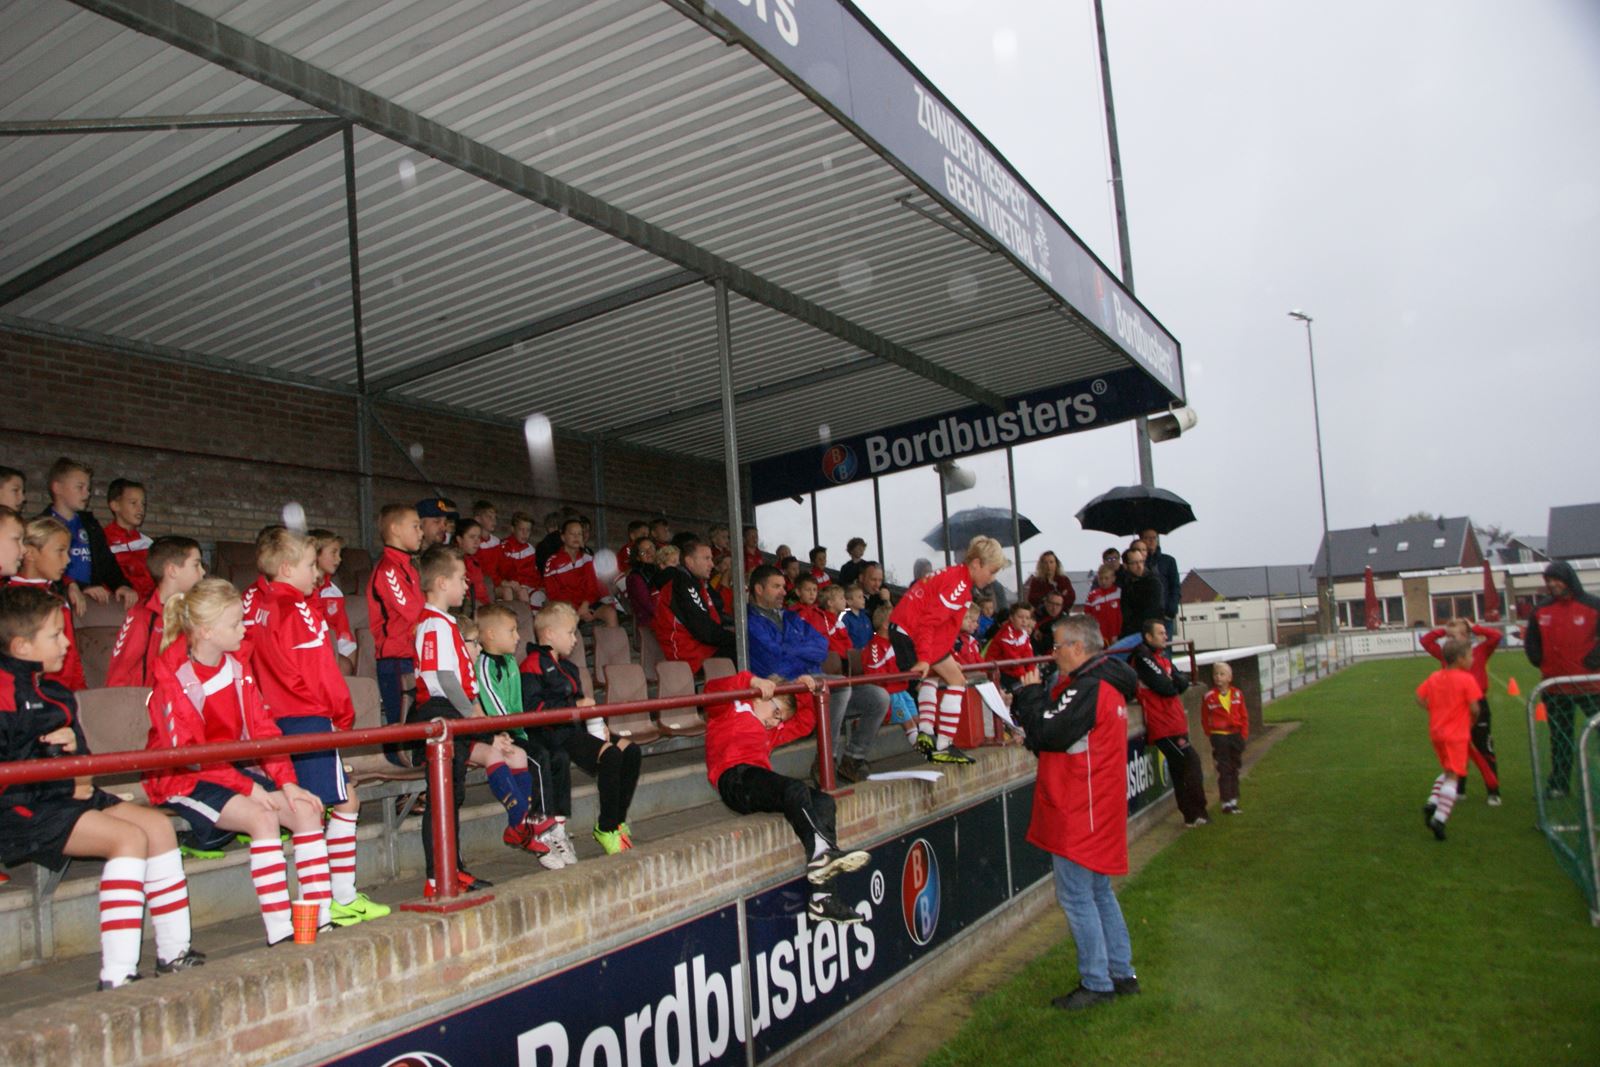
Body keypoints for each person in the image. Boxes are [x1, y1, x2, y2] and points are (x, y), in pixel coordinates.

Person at [0, 585, 203, 988]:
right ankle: (118, 973)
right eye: (55, 635)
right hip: (21, 807)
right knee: (127, 839)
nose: (66, 643)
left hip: (65, 797)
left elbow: (84, 770)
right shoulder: (4, 694)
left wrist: (74, 758)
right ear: (22, 646)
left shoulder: (57, 694)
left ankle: (174, 952)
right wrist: (50, 760)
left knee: (159, 828)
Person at [143, 578, 334, 942]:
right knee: (261, 816)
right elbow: (188, 754)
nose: (244, 628)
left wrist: (287, 783)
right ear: (206, 631)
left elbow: (264, 730)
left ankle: (320, 918)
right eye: (235, 623)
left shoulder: (237, 667)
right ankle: (280, 931)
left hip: (230, 772)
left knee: (306, 808)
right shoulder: (173, 677)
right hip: (182, 777)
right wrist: (249, 787)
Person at [251, 528, 389, 925]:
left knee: (303, 807)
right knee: (344, 803)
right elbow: (321, 671)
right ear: (287, 567)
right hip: (309, 718)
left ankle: (323, 900)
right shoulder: (298, 610)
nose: (317, 573)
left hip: (272, 719)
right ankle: (338, 898)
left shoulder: (258, 604)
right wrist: (342, 714)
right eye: (311, 565)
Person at [1012, 614, 1140, 1011]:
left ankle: (1097, 981)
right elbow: (1057, 736)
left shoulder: (1090, 687)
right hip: (1096, 806)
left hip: (1080, 809)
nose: (1053, 654)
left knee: (1077, 897)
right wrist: (1033, 727)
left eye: (1058, 646)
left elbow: (1051, 733)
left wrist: (1030, 697)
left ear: (1079, 648)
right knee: (1098, 892)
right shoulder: (1100, 685)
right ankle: (1121, 972)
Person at [410, 545, 547, 895]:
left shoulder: (445, 624)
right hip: (441, 713)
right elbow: (441, 676)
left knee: (451, 796)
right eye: (461, 579)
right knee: (442, 797)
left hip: (453, 712)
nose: (467, 585)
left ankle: (453, 868)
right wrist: (473, 714)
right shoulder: (434, 624)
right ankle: (437, 876)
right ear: (441, 582)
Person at [703, 670, 868, 925]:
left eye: (780, 719)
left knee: (824, 801)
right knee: (795, 790)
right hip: (733, 778)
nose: (775, 722)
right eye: (776, 713)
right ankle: (824, 852)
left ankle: (824, 897)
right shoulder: (731, 707)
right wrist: (753, 682)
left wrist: (802, 690)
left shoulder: (773, 731)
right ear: (762, 696)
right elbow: (711, 689)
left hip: (757, 781)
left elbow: (806, 722)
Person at [746, 565, 887, 784]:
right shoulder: (750, 621)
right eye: (777, 587)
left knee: (878, 697)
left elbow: (821, 645)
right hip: (786, 690)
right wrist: (801, 651)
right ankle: (825, 761)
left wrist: (791, 649)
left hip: (812, 682)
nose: (784, 592)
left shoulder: (790, 617)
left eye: (784, 586)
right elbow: (775, 661)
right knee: (839, 686)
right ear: (758, 589)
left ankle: (853, 759)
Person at [522, 602, 641, 855]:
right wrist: (575, 705)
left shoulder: (570, 668)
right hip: (554, 734)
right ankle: (606, 828)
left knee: (631, 751)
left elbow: (584, 706)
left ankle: (616, 820)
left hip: (578, 730)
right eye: (570, 633)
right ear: (549, 633)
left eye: (576, 633)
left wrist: (601, 727)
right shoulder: (532, 664)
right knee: (610, 755)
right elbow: (533, 707)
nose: (575, 639)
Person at [889, 536, 1008, 764]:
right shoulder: (959, 585)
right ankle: (944, 744)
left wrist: (944, 657)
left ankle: (926, 732)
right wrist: (924, 658)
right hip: (911, 632)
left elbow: (941, 627)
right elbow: (928, 623)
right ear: (976, 564)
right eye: (991, 571)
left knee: (934, 678)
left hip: (905, 628)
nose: (992, 578)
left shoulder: (956, 575)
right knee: (957, 681)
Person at [474, 603, 564, 869]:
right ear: (490, 634)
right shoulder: (484, 664)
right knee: (537, 757)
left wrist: (522, 729)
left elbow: (517, 705)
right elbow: (494, 707)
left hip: (514, 730)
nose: (517, 637)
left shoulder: (512, 662)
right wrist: (509, 731)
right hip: (496, 732)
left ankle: (549, 825)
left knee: (555, 752)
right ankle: (539, 825)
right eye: (512, 631)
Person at [1524, 560, 1600, 798]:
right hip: (1555, 687)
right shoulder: (1541, 610)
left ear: (1569, 579)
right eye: (1549, 580)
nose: (1553, 584)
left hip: (1591, 685)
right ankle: (1559, 785)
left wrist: (1594, 660)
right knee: (1560, 739)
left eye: (1557, 579)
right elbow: (1531, 640)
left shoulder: (1593, 605)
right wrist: (1538, 658)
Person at [104, 536, 205, 687]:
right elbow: (119, 674)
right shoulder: (142, 616)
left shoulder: (194, 613)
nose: (203, 572)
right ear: (172, 571)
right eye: (196, 565)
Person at [1133, 619, 1207, 826]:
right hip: (1162, 726)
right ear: (1148, 637)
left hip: (1175, 722)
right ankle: (1198, 811)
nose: (1166, 636)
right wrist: (1173, 683)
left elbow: (1181, 681)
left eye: (1165, 632)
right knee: (1191, 761)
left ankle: (1191, 816)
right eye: (1161, 633)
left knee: (1179, 768)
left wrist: (1174, 682)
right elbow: (1165, 686)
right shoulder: (1142, 657)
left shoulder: (1162, 657)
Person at [1419, 618, 1502, 803]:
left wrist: (1475, 628)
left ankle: (1493, 791)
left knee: (1483, 748)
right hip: (1455, 707)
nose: (1448, 640)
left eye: (1453, 636)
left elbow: (1497, 636)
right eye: (1447, 637)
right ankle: (1459, 789)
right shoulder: (1446, 654)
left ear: (1465, 636)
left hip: (1477, 704)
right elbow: (1425, 641)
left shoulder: (1479, 651)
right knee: (1457, 749)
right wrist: (1443, 630)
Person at [367, 504, 425, 758]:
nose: (421, 532)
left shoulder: (408, 568)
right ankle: (401, 786)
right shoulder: (389, 569)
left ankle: (417, 787)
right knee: (399, 725)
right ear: (395, 529)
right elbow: (415, 613)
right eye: (415, 526)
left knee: (415, 724)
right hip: (396, 659)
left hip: (411, 656)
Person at [40, 457, 136, 608]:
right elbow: (41, 567)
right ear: (57, 488)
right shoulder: (40, 526)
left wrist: (120, 585)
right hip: (54, 600)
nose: (87, 494)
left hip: (89, 602)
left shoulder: (90, 524)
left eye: (88, 488)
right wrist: (78, 586)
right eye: (80, 487)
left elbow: (106, 562)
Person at [1415, 637, 1482, 841]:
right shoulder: (1466, 679)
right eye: (1470, 656)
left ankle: (1432, 801)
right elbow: (1475, 708)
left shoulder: (1435, 677)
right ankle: (1440, 818)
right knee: (1454, 776)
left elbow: (1418, 697)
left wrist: (1432, 709)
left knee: (1447, 771)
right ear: (1460, 659)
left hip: (1437, 733)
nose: (1473, 659)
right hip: (1456, 735)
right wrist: (1472, 720)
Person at [13, 517, 87, 690]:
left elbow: (72, 656)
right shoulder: (12, 599)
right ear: (30, 553)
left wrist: (80, 694)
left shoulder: (57, 598)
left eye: (68, 552)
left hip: (65, 697)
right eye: (60, 551)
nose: (67, 560)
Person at [652, 538, 736, 672]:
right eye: (706, 559)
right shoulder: (681, 585)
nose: (712, 564)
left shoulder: (697, 583)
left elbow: (715, 616)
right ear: (689, 561)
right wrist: (737, 639)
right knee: (745, 653)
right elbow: (704, 630)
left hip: (704, 649)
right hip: (688, 656)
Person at [542, 517, 619, 627]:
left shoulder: (588, 559)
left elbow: (592, 587)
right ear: (563, 537)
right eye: (572, 534)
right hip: (565, 606)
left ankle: (612, 644)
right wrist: (577, 609)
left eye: (579, 534)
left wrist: (586, 606)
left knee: (610, 613)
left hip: (586, 604)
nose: (576, 537)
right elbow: (553, 593)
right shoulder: (552, 561)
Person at [864, 604, 919, 743]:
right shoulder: (875, 646)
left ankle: (929, 750)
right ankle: (928, 755)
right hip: (890, 693)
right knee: (910, 725)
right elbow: (874, 674)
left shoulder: (895, 644)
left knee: (919, 721)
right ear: (886, 625)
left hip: (902, 690)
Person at [1201, 661, 1249, 815]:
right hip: (1220, 736)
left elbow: (1244, 716)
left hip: (1235, 735)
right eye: (1216, 674)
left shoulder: (1237, 694)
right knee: (1224, 769)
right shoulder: (1209, 697)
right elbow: (1204, 718)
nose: (1218, 677)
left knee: (1235, 767)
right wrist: (1212, 734)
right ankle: (1226, 802)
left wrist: (1243, 735)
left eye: (1222, 674)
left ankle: (1234, 799)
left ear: (1230, 677)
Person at [307, 529, 358, 669]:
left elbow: (343, 631)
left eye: (340, 554)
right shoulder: (303, 589)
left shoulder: (334, 592)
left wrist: (349, 652)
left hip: (334, 647)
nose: (339, 559)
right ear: (315, 554)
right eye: (333, 553)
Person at [104, 478, 155, 599]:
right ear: (115, 505)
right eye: (133, 503)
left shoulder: (149, 543)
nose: (140, 509)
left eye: (143, 504)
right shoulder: (101, 541)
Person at [985, 602, 1036, 694]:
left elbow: (1029, 657)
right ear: (1011, 618)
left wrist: (1032, 674)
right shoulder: (1005, 635)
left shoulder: (1023, 634)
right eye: (1020, 617)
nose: (1024, 621)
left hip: (1014, 673)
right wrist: (1026, 679)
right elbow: (1013, 660)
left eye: (1027, 618)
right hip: (999, 673)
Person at [1140, 528, 1181, 638]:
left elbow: (1175, 587)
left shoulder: (1168, 561)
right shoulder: (1138, 564)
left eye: (1154, 538)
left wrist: (1171, 609)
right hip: (1144, 617)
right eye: (1147, 538)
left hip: (1165, 615)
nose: (1151, 541)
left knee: (1165, 649)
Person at [1117, 548, 1163, 639]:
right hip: (1131, 632)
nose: (1139, 566)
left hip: (1148, 632)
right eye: (1134, 563)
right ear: (1126, 566)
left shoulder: (1153, 582)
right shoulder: (1126, 584)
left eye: (1141, 561)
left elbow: (1153, 611)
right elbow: (1125, 612)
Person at [1084, 564, 1123, 646]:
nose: (1103, 581)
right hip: (1099, 637)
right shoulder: (1092, 595)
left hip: (1118, 636)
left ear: (1113, 579)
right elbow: (1087, 617)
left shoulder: (1119, 593)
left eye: (1106, 578)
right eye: (1101, 578)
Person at [625, 536, 660, 626]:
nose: (649, 552)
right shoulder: (635, 577)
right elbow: (648, 605)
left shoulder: (663, 569)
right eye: (643, 552)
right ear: (638, 557)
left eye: (651, 548)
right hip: (650, 621)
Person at [1031, 590, 1067, 657]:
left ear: (1062, 606)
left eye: (1058, 605)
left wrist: (1043, 637)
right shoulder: (1034, 616)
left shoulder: (1066, 622)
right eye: (1052, 603)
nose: (1054, 608)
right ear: (1045, 603)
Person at [841, 584, 873, 650]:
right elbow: (844, 637)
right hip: (852, 654)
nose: (863, 599)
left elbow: (870, 636)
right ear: (849, 601)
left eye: (863, 597)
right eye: (859, 597)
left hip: (866, 653)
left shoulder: (866, 618)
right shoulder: (845, 618)